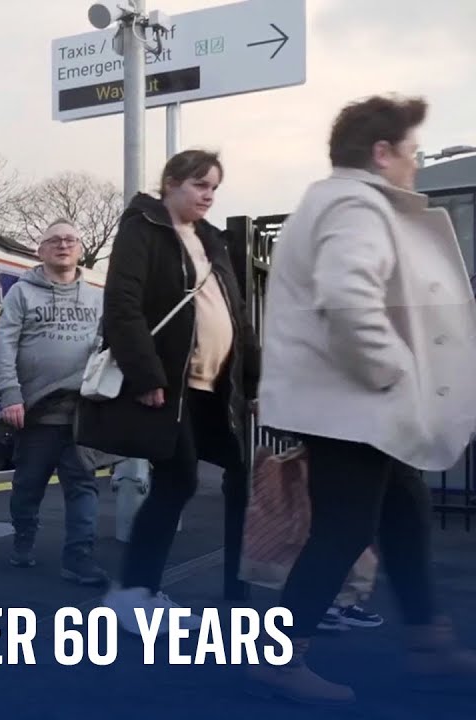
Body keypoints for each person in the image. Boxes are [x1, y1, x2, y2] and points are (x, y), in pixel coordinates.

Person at [249, 95, 476, 704]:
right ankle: (278, 656)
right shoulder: (355, 202)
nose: (417, 164)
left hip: (352, 403)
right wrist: (392, 370)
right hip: (352, 404)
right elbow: (348, 297)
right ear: (382, 153)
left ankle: (430, 639)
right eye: (412, 152)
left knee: (405, 513)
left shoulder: (328, 200)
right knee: (345, 528)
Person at [76, 149, 261, 632]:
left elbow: (237, 316)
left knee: (237, 473)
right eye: (200, 185)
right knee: (178, 479)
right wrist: (147, 376)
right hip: (170, 386)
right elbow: (122, 305)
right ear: (172, 183)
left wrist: (252, 381)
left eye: (215, 188)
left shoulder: (211, 241)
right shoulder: (143, 228)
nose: (209, 196)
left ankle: (164, 592)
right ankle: (134, 594)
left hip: (212, 389)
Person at [0, 221, 109, 586]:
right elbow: (4, 348)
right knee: (28, 485)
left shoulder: (97, 298)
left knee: (83, 485)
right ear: (40, 251)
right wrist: (10, 395)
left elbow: (109, 349)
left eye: (70, 239)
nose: (63, 245)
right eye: (53, 240)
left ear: (80, 249)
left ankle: (79, 557)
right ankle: (23, 538)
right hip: (35, 411)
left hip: (81, 412)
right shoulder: (21, 294)